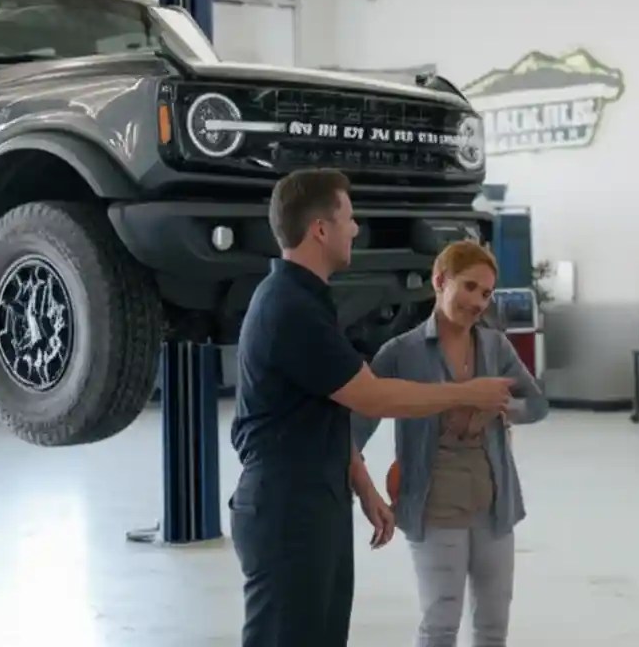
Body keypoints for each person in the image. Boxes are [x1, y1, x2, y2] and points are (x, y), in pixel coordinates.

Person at [228, 168, 517, 647]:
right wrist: (466, 392)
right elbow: (371, 395)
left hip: (316, 499)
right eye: (349, 217)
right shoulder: (289, 307)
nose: (356, 229)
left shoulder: (307, 299)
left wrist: (362, 485)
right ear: (320, 228)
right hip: (286, 507)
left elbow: (327, 408)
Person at [352, 240, 549, 647]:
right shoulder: (400, 353)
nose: (478, 301)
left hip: (495, 504)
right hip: (434, 505)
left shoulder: (495, 347)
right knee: (440, 621)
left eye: (487, 293)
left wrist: (501, 409)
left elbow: (537, 404)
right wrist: (366, 490)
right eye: (470, 287)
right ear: (440, 281)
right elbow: (356, 425)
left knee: (493, 624)